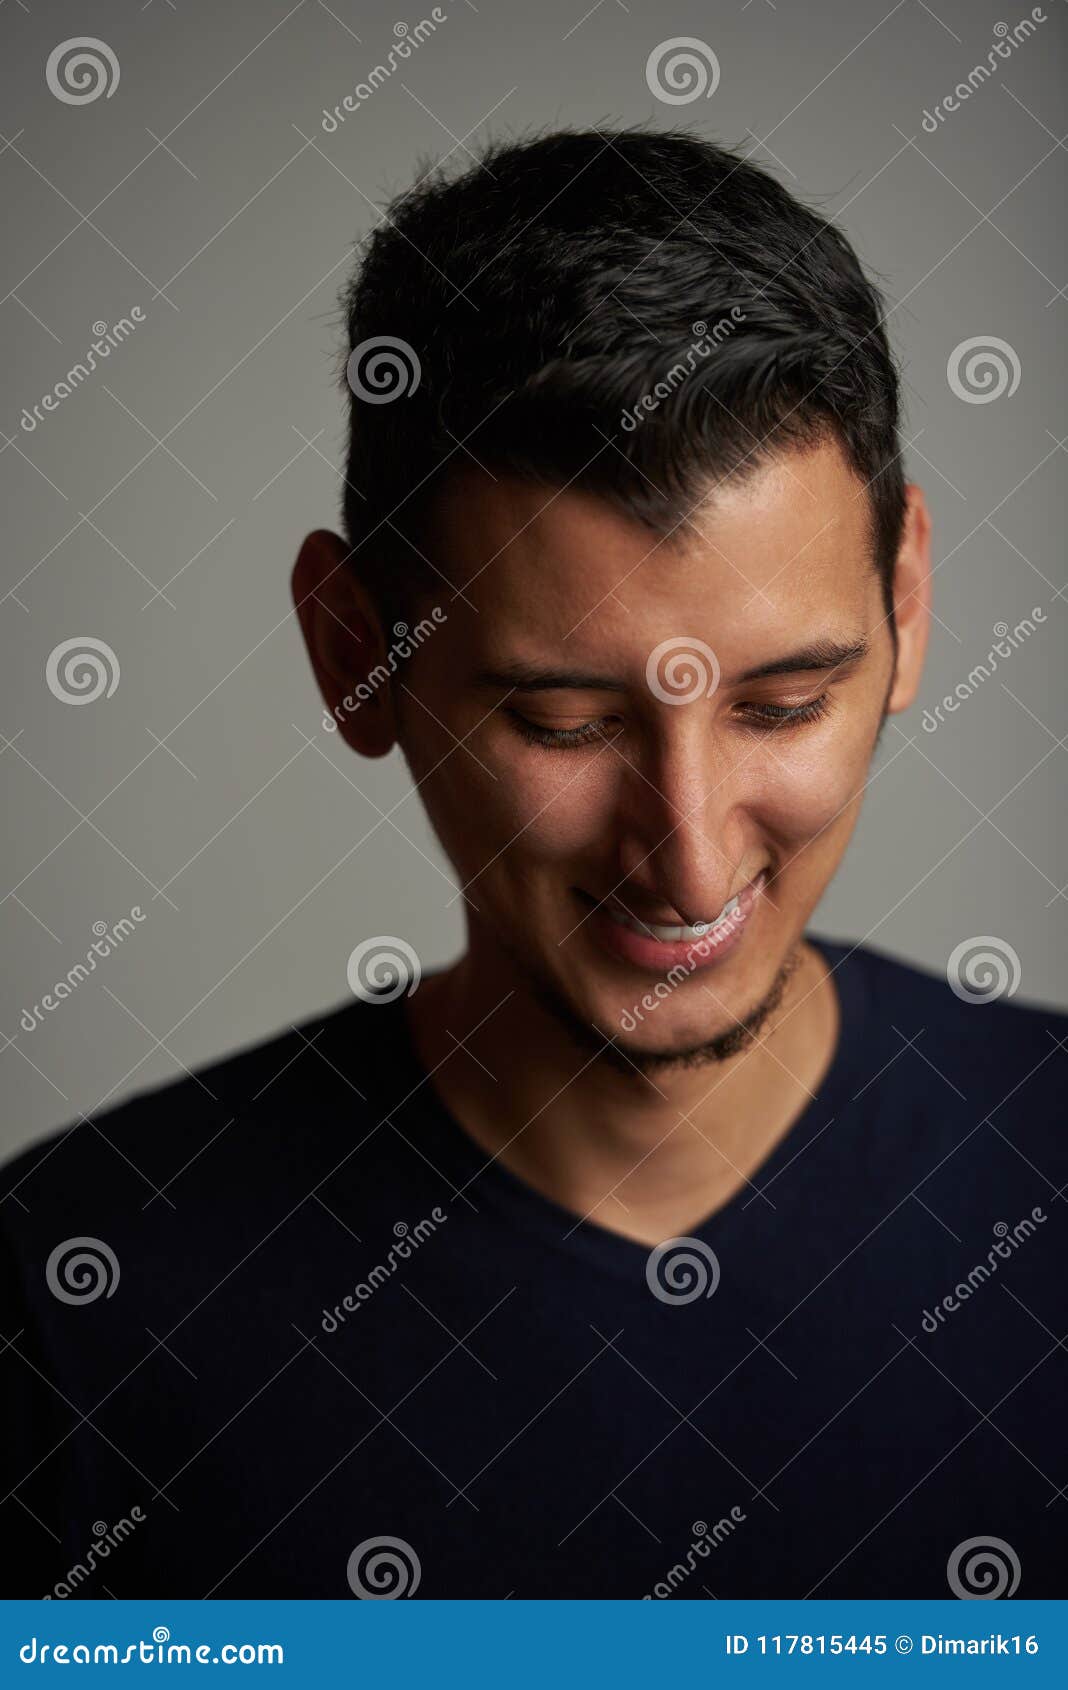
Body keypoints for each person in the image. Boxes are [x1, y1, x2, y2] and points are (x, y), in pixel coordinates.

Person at [2, 128, 1064, 1601]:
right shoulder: (72, 1304)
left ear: (908, 603)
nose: (688, 854)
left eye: (782, 705)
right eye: (565, 723)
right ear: (354, 653)